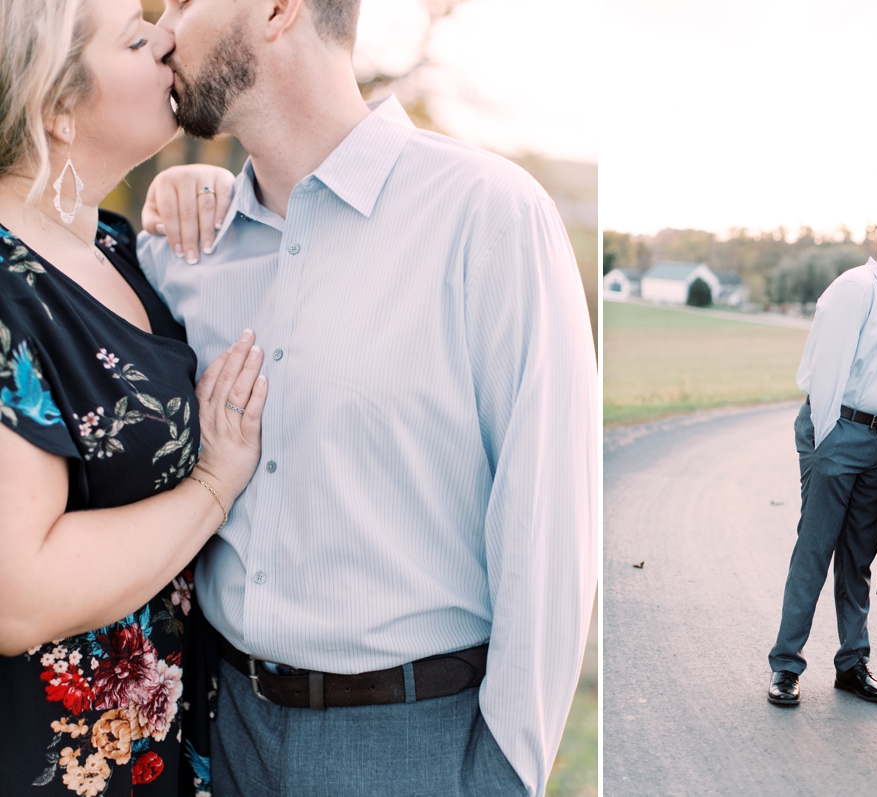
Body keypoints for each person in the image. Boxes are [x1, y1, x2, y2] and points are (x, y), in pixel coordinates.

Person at [137, 1, 598, 795]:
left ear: (277, 9)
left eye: (183, 0)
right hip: (222, 734)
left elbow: (549, 518)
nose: (164, 30)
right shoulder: (182, 248)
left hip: (419, 745)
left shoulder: (488, 214)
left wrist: (503, 773)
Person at [0, 1, 262, 795]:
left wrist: (202, 190)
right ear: (57, 106)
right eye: (135, 38)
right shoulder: (7, 292)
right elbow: (18, 593)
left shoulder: (113, 244)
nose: (167, 39)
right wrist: (213, 485)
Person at [767, 215, 877, 707]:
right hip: (837, 433)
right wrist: (826, 441)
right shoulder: (854, 288)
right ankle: (786, 666)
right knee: (814, 551)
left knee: (858, 560)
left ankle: (852, 664)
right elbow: (826, 371)